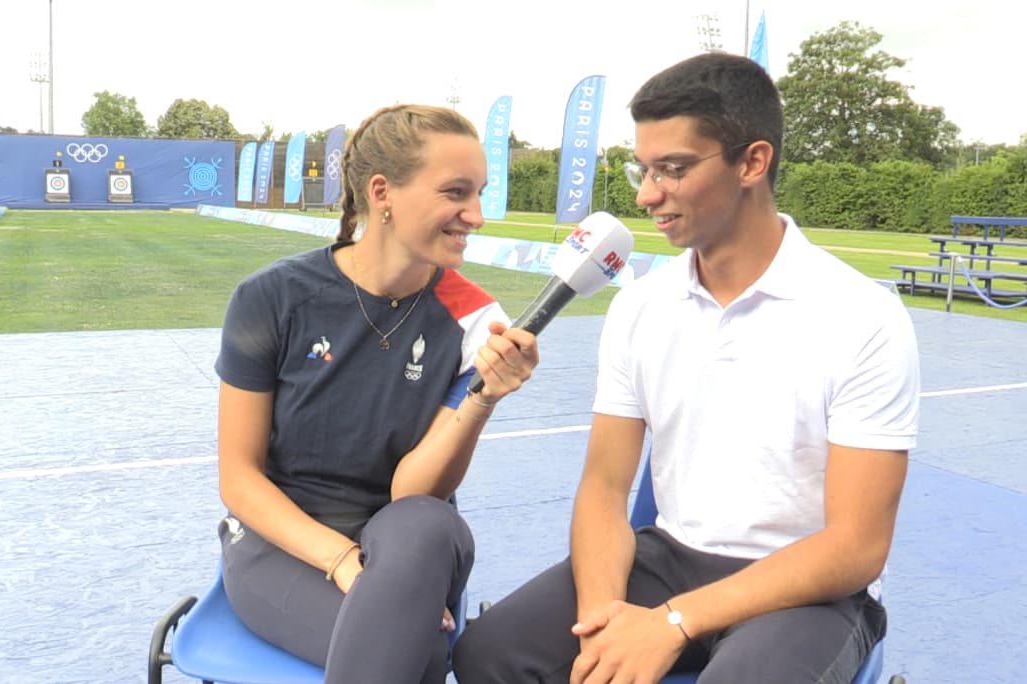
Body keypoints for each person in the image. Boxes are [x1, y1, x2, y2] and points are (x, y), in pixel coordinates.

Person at [452, 52, 920, 684]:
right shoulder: (641, 305)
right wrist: (603, 622)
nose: (647, 195)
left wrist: (673, 622)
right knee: (489, 654)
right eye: (642, 169)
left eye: (671, 170)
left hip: (808, 590)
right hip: (668, 560)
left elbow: (857, 547)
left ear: (752, 162)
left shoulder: (862, 316)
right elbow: (604, 488)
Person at [214, 103, 539, 684]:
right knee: (418, 659)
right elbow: (239, 478)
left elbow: (411, 492)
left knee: (427, 523)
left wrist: (483, 397)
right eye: (456, 192)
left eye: (481, 193)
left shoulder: (477, 321)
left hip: (404, 549)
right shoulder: (270, 298)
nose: (478, 216)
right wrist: (342, 563)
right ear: (383, 192)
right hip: (283, 545)